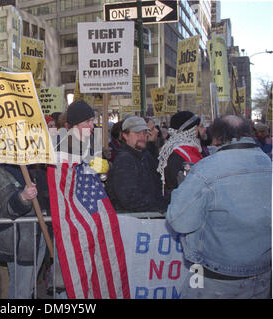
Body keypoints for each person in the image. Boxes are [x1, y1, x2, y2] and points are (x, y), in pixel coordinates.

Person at [167, 115, 271, 299]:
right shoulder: (267, 163)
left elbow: (179, 221)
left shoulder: (207, 169)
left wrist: (184, 186)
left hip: (214, 275)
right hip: (262, 273)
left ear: (216, 137)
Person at [0, 163, 49, 299]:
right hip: (18, 241)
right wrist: (23, 197)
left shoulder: (37, 169)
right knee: (22, 290)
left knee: (26, 287)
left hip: (39, 236)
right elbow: (7, 204)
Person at [106, 116, 168, 213]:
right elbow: (130, 199)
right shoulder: (125, 160)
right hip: (134, 222)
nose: (142, 136)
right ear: (125, 135)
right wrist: (162, 205)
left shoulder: (145, 156)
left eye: (144, 133)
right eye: (137, 133)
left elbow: (157, 187)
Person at [157, 111, 204, 199]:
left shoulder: (176, 149)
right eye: (199, 127)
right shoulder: (180, 152)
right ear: (193, 130)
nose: (203, 130)